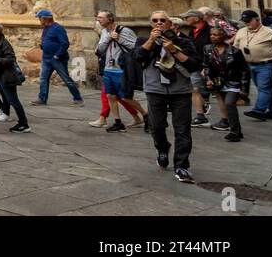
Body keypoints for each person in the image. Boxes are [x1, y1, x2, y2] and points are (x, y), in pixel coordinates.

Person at [135, 10, 201, 183]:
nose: (159, 23)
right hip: (155, 89)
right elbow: (137, 57)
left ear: (170, 24)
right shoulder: (143, 40)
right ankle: (162, 148)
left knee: (182, 129)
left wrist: (174, 50)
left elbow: (194, 64)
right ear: (151, 24)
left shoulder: (183, 41)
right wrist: (151, 40)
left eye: (162, 20)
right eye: (155, 20)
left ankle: (182, 166)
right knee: (156, 126)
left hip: (180, 90)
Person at [89, 10, 145, 132]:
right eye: (97, 17)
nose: (98, 20)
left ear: (110, 19)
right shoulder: (104, 32)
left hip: (121, 69)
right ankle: (118, 122)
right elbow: (100, 49)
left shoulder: (125, 31)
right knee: (110, 96)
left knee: (125, 97)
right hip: (108, 68)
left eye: (101, 17)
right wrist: (107, 39)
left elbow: (136, 48)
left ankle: (146, 115)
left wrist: (119, 39)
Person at [202, 24, 248, 142]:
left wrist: (244, 89)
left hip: (233, 82)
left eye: (216, 35)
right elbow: (206, 66)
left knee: (229, 104)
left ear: (223, 36)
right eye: (211, 35)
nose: (213, 37)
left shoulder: (235, 51)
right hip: (219, 83)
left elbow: (245, 70)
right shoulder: (207, 49)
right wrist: (208, 80)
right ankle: (238, 131)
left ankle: (234, 132)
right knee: (227, 106)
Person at [234, 9, 272, 122]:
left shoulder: (270, 32)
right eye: (245, 21)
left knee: (264, 88)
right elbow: (236, 47)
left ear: (257, 20)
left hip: (266, 64)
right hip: (248, 65)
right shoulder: (241, 31)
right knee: (263, 88)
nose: (247, 23)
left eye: (249, 21)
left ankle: (259, 111)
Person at [32, 10, 83, 106]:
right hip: (46, 58)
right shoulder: (46, 28)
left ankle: (78, 99)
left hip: (57, 59)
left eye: (40, 18)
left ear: (45, 18)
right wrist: (43, 45)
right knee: (43, 78)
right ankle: (42, 99)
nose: (39, 20)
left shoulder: (58, 28)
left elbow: (65, 43)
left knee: (66, 78)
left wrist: (57, 55)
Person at [180, 10, 212, 126]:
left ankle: (226, 118)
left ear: (197, 18)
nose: (185, 19)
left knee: (217, 92)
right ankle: (200, 116)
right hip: (195, 65)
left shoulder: (210, 31)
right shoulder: (192, 31)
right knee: (195, 89)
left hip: (207, 65)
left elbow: (213, 49)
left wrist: (207, 65)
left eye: (187, 17)